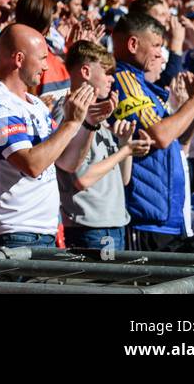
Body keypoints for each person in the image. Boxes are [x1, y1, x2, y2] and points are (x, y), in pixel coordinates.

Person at [0, 24, 95, 252]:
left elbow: (65, 163)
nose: (45, 66)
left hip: (43, 232)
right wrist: (70, 123)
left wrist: (87, 123)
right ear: (19, 59)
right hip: (13, 234)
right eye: (41, 58)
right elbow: (31, 164)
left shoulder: (36, 104)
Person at [109, 11, 194, 250]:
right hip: (146, 221)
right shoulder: (124, 80)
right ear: (133, 44)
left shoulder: (143, 86)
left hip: (167, 217)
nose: (161, 53)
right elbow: (159, 136)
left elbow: (177, 141)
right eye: (157, 45)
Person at [55, 41, 150, 254]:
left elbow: (123, 179)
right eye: (107, 72)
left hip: (114, 222)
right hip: (90, 226)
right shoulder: (68, 114)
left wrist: (125, 143)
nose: (112, 78)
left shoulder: (101, 115)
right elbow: (82, 178)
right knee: (100, 287)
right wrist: (124, 151)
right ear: (86, 71)